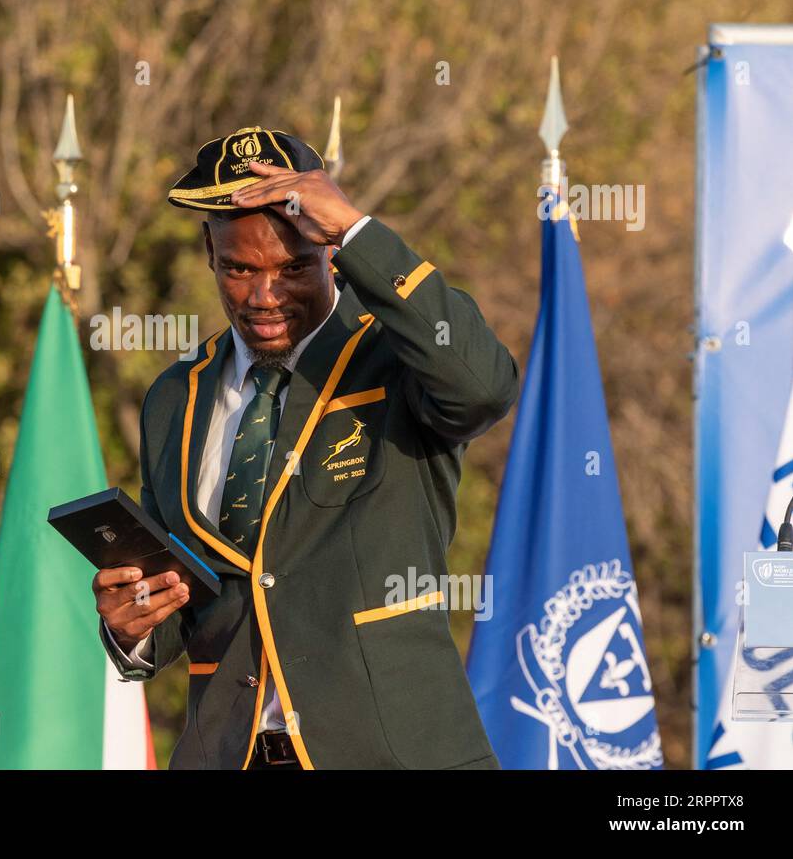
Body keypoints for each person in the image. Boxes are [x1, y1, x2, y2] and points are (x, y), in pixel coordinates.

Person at [92, 126, 519, 769]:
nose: (265, 296)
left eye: (294, 267)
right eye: (239, 268)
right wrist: (133, 629)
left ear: (328, 253)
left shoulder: (397, 358)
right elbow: (189, 595)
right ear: (209, 250)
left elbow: (483, 387)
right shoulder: (174, 397)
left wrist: (355, 228)